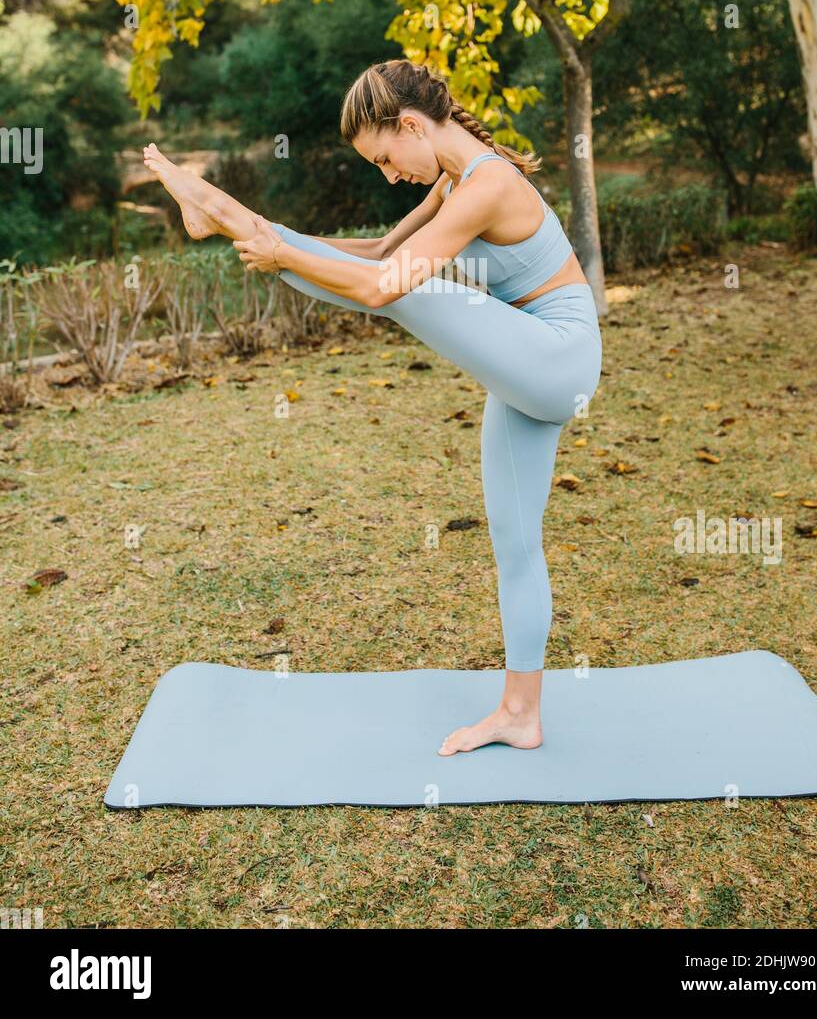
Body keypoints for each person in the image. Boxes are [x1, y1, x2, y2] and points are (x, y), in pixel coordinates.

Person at [142, 59, 602, 756]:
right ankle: (520, 712)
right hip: (528, 360)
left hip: (557, 353)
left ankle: (220, 212)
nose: (390, 176)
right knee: (514, 540)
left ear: (412, 125)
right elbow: (377, 252)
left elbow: (384, 287)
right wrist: (276, 240)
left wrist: (269, 242)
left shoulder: (488, 184)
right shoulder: (454, 181)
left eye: (386, 158)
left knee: (402, 292)